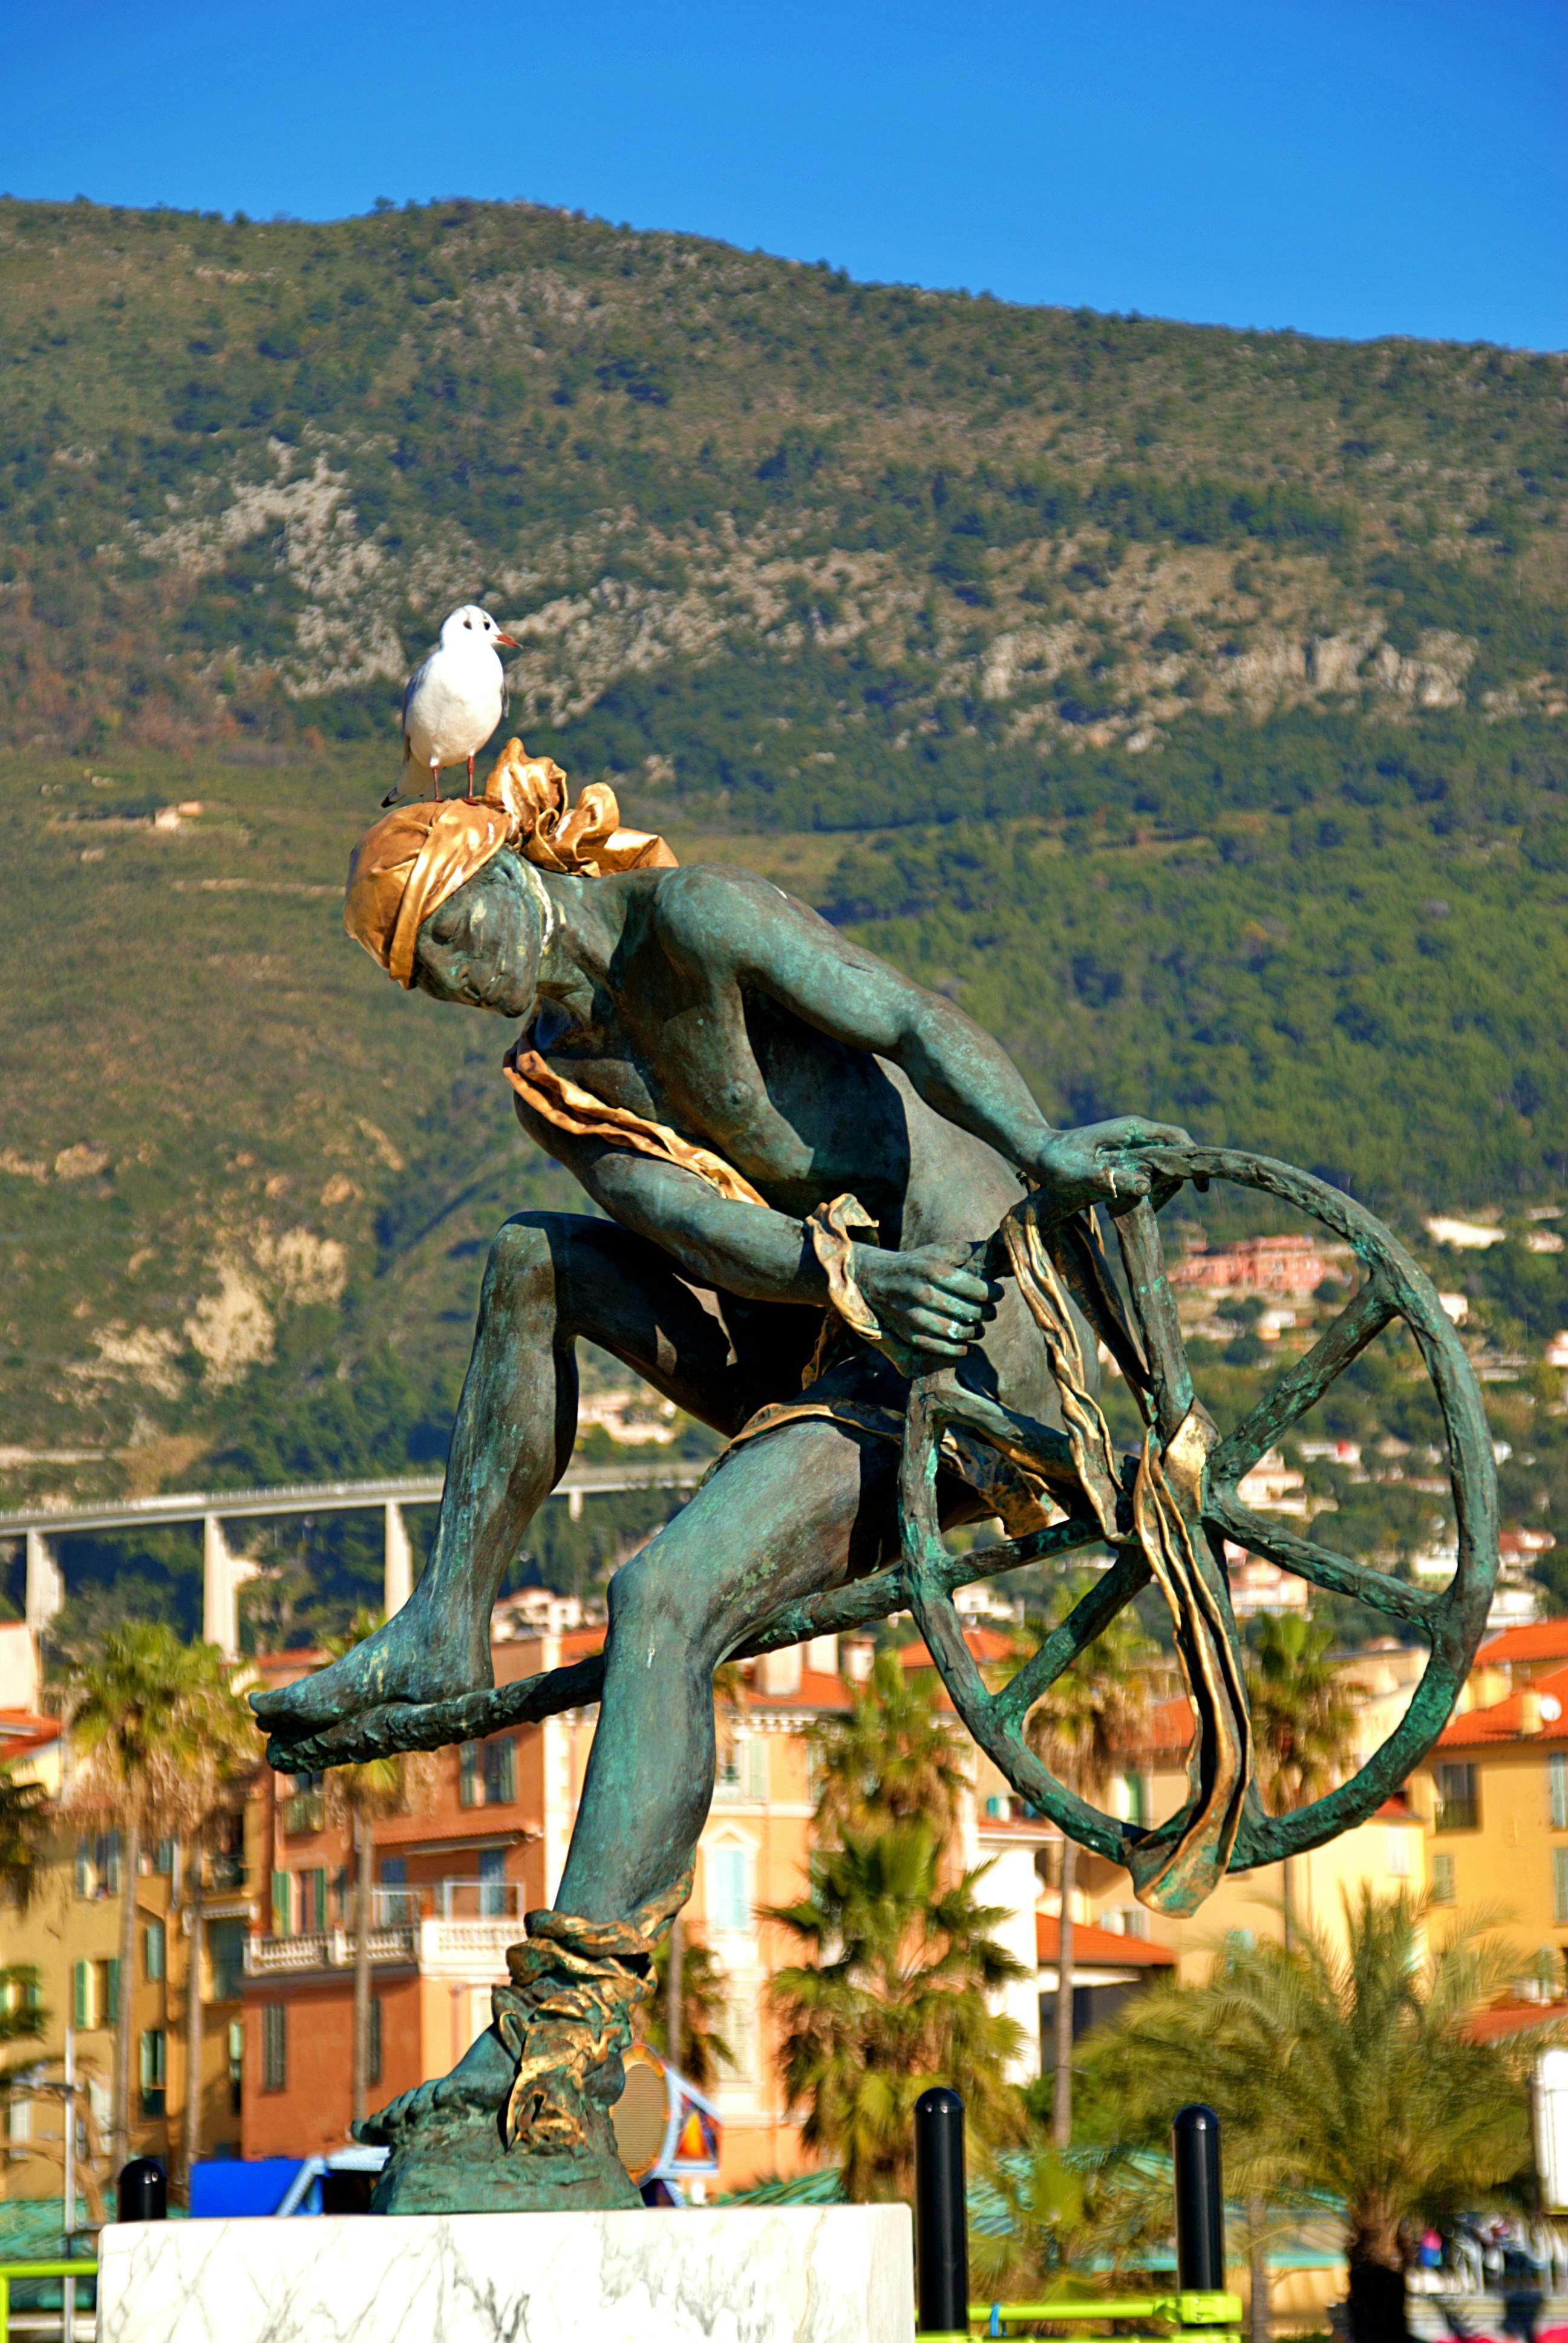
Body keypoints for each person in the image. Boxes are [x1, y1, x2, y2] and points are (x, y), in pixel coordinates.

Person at [253, 741, 1185, 2198]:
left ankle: (558, 2043)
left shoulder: (701, 923)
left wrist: (1040, 1155)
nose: (458, 980)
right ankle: (446, 1619)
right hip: (838, 1326)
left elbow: (915, 1022)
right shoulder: (553, 1078)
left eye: (447, 937)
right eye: (426, 979)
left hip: (958, 1355)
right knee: (527, 1265)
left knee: (667, 1595)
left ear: (503, 871)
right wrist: (850, 1275)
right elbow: (678, 1227)